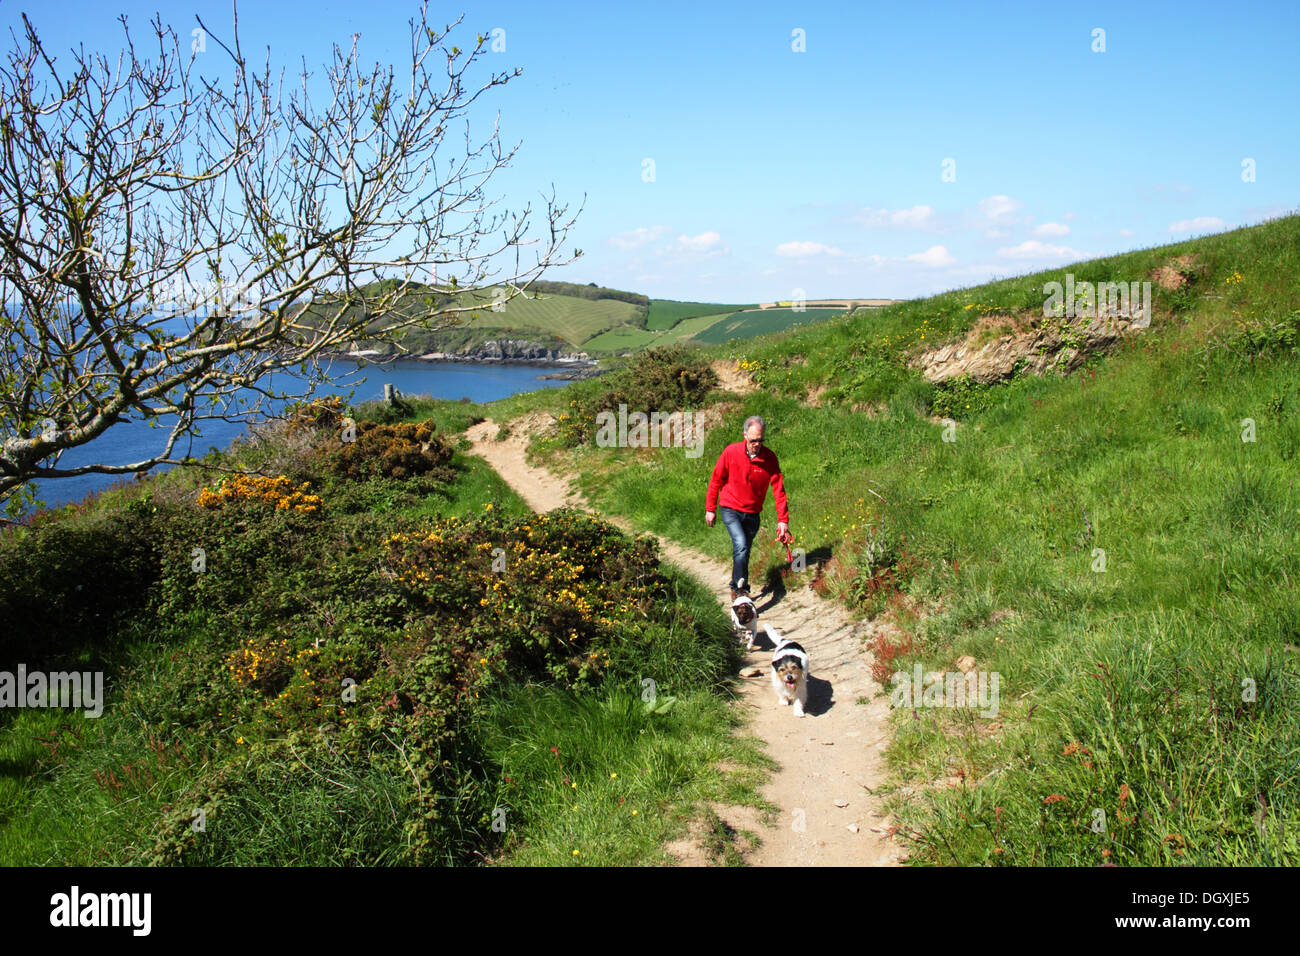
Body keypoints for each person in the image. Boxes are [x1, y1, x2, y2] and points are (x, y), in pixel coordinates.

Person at [705, 415, 790, 601]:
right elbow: (716, 479)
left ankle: (737, 586)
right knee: (741, 545)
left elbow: (779, 490)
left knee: (743, 550)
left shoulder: (769, 459)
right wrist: (710, 508)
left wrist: (783, 521)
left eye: (760, 440)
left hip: (752, 513)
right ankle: (740, 589)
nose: (757, 444)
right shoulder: (730, 452)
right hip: (730, 508)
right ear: (745, 435)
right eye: (753, 440)